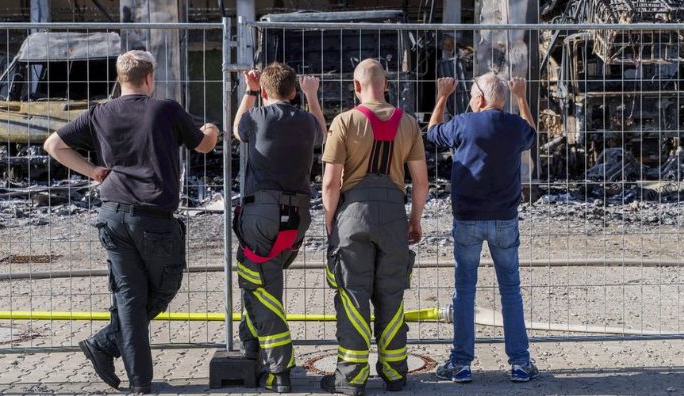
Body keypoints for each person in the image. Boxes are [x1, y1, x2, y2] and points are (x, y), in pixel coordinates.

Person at [43, 50, 219, 394]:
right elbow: (204, 145)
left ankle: (136, 379)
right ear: (150, 78)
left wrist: (92, 170)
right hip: (153, 218)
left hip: (112, 214)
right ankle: (106, 343)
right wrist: (211, 128)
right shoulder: (165, 110)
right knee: (164, 287)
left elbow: (54, 144)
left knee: (129, 298)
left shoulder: (99, 113)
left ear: (120, 78)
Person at [320, 59, 428, 396]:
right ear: (387, 85)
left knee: (353, 295)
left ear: (356, 86)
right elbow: (421, 182)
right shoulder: (408, 123)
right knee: (391, 295)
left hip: (353, 216)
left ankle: (351, 378)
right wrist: (414, 220)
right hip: (394, 216)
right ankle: (395, 373)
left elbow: (330, 183)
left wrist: (330, 222)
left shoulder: (345, 121)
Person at [426, 73, 540, 384]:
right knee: (511, 290)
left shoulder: (463, 123)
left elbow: (432, 133)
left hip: (468, 217)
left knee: (464, 291)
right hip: (504, 218)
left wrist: (442, 95)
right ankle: (520, 362)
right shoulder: (514, 126)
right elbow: (532, 134)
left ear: (479, 99)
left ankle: (461, 363)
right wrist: (521, 98)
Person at [232, 62, 326, 393]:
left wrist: (249, 90)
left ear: (265, 92)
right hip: (297, 217)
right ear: (294, 91)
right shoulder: (306, 121)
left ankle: (280, 370)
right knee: (262, 281)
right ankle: (250, 345)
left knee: (260, 286)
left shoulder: (257, 117)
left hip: (262, 214)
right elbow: (322, 135)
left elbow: (237, 129)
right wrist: (313, 97)